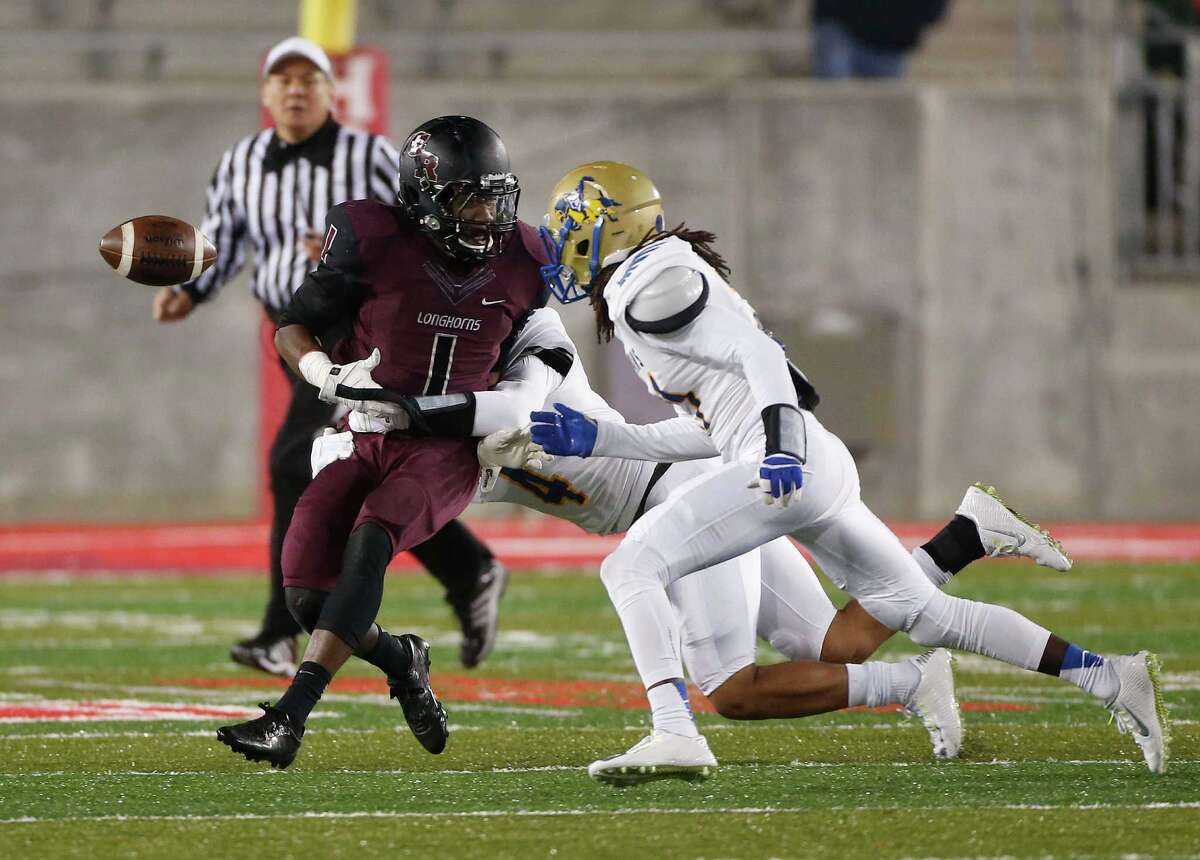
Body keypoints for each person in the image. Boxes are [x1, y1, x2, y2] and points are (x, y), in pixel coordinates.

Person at [532, 161, 1170, 776]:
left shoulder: (647, 286)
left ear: (606, 224)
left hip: (783, 462)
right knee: (925, 616)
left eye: (569, 228)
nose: (562, 245)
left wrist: (779, 444)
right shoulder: (652, 278)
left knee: (630, 564)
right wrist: (605, 436)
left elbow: (759, 353)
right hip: (806, 459)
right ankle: (1111, 674)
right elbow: (711, 425)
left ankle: (674, 731)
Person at [312, 305, 1074, 783]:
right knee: (831, 648)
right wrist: (361, 453)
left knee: (733, 689)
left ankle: (673, 734)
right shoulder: (416, 453)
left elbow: (512, 406)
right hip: (689, 492)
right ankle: (959, 551)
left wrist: (400, 409)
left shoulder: (522, 334)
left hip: (684, 494)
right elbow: (395, 512)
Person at [152, 36, 507, 676]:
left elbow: (421, 222)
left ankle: (280, 632)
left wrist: (351, 254)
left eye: (308, 80)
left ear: (328, 92)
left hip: (358, 328)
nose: (294, 90)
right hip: (293, 326)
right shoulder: (241, 162)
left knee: (296, 462)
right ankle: (469, 570)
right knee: (332, 467)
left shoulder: (369, 156)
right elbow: (223, 241)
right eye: (282, 80)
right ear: (265, 93)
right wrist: (190, 291)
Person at [216, 115, 550, 769]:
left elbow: (551, 355)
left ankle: (290, 717)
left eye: (495, 196)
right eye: (468, 198)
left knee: (372, 537)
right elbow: (295, 325)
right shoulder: (371, 236)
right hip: (364, 434)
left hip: (447, 447)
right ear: (425, 197)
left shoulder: (528, 258)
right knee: (308, 594)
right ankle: (403, 659)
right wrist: (322, 371)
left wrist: (528, 413)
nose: (487, 215)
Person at [811, 0, 950, 80]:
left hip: (887, 41)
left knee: (887, 106)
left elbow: (934, 14)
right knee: (833, 76)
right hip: (840, 25)